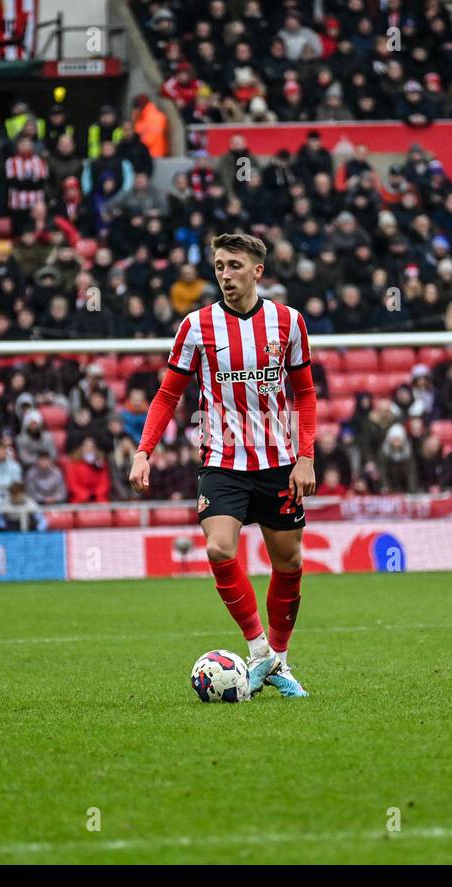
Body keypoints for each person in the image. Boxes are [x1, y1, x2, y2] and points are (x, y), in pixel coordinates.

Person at [129, 233, 316, 698]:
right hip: (222, 460)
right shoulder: (197, 326)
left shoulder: (289, 323)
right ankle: (259, 653)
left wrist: (306, 456)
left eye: (234, 265)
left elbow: (305, 394)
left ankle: (280, 659)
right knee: (218, 549)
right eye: (218, 266)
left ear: (258, 271)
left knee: (289, 560)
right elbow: (168, 394)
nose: (225, 275)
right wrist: (143, 450)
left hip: (278, 463)